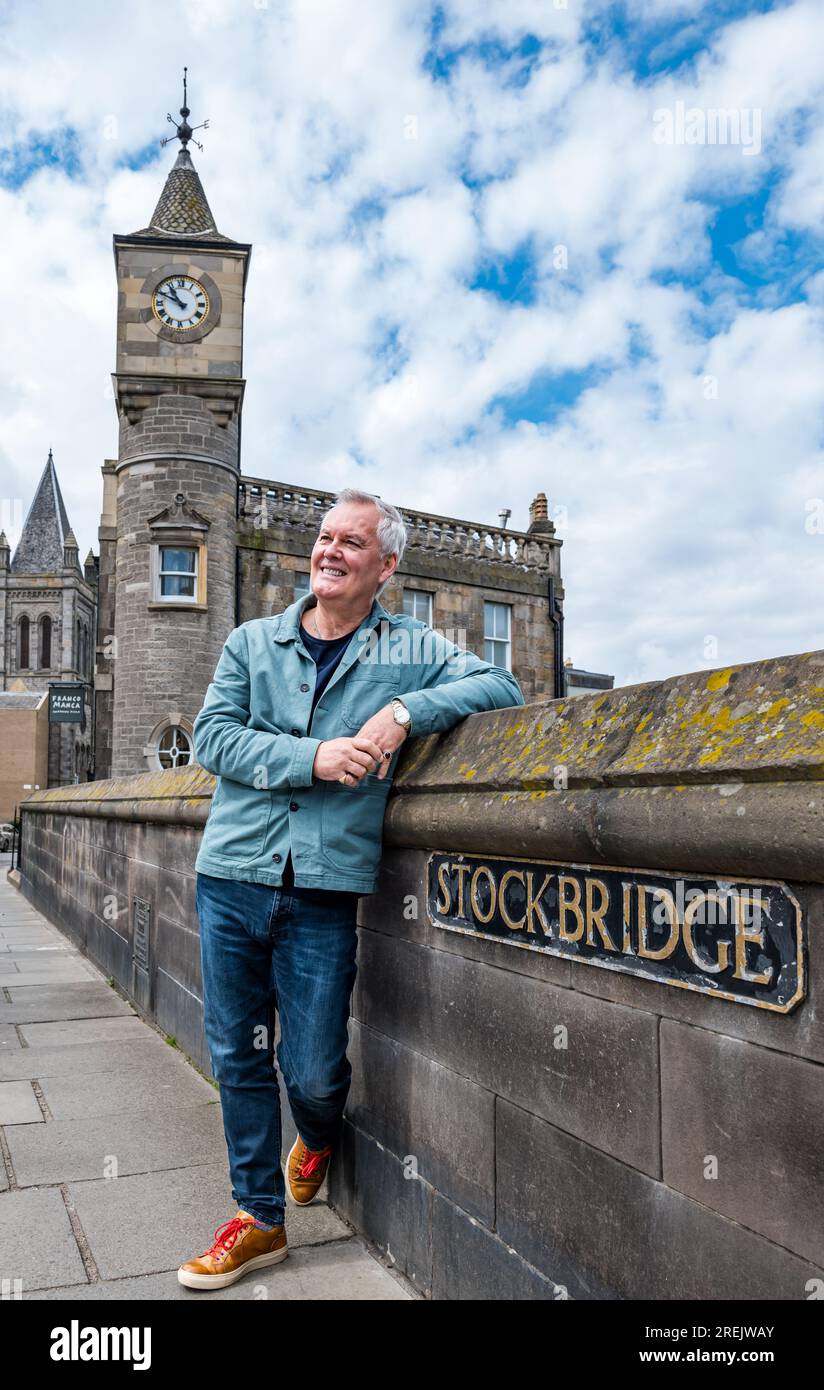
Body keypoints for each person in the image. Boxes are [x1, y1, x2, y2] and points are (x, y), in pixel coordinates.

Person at [178, 486, 525, 1289]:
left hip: (326, 886)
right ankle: (259, 1220)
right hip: (232, 873)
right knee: (235, 1052)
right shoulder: (252, 642)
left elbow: (501, 690)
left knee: (315, 1070)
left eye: (351, 543)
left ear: (386, 565)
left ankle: (318, 1132)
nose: (329, 551)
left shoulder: (409, 647)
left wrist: (405, 710)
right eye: (325, 537)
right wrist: (315, 758)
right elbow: (212, 738)